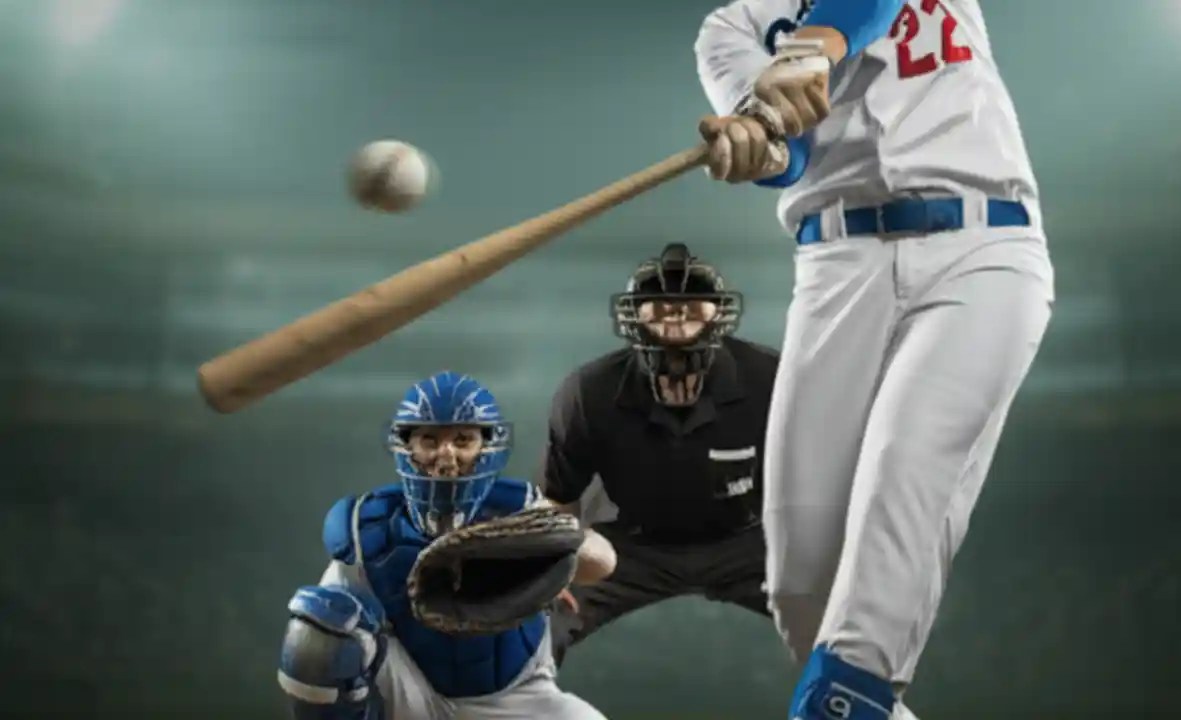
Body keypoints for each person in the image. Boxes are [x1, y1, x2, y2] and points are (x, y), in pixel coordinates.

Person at [693, 1, 1055, 718]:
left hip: (979, 247)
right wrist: (756, 141)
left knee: (901, 481)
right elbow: (787, 155)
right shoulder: (728, 28)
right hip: (835, 269)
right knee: (802, 592)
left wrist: (817, 45)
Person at [276, 371, 616, 720]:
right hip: (411, 693)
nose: (447, 455)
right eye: (429, 440)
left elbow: (603, 563)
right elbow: (324, 623)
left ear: (487, 448)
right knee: (322, 626)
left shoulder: (522, 510)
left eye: (463, 440)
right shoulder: (369, 529)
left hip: (515, 697)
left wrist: (555, 543)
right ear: (407, 448)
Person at [540, 243, 779, 666]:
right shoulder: (588, 392)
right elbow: (559, 500)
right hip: (630, 547)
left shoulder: (772, 379)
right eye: (661, 303)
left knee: (843, 614)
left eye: (689, 303)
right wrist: (548, 572)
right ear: (633, 314)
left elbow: (818, 479)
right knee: (532, 616)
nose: (675, 313)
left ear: (719, 312)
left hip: (747, 542)